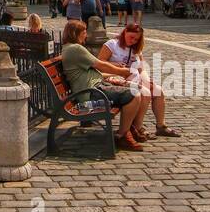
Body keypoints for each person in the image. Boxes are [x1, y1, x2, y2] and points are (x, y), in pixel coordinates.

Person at [59, 19, 146, 151]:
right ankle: (122, 135)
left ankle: (128, 130)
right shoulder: (75, 49)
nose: (86, 35)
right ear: (75, 33)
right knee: (135, 95)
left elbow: (93, 72)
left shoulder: (71, 48)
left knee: (135, 89)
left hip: (93, 89)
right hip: (89, 97)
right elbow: (101, 65)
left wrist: (116, 79)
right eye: (84, 32)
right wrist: (123, 72)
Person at [105, 24, 180, 139]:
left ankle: (161, 126)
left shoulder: (135, 48)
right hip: (117, 79)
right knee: (145, 92)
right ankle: (137, 127)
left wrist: (146, 80)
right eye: (131, 37)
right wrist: (115, 65)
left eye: (136, 39)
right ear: (125, 32)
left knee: (158, 91)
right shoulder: (112, 45)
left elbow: (141, 68)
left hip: (134, 78)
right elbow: (100, 63)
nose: (133, 41)